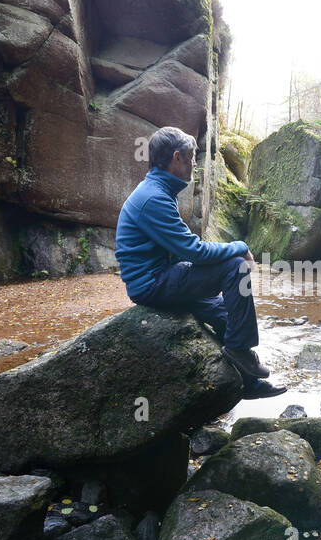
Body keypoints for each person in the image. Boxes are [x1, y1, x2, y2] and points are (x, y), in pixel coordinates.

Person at [115, 126, 286, 398]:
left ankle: (248, 385)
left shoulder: (158, 189)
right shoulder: (154, 198)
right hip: (152, 284)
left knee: (225, 310)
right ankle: (240, 348)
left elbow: (184, 251)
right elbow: (192, 251)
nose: (195, 162)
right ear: (176, 158)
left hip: (164, 275)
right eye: (192, 156)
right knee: (235, 267)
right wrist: (239, 247)